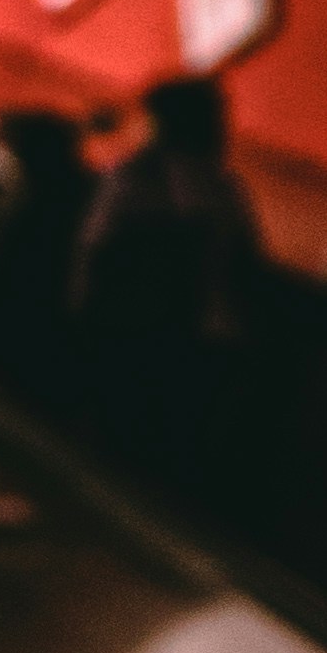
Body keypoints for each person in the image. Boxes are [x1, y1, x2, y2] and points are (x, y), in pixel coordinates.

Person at [72, 70, 264, 513]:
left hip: (134, 346)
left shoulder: (128, 184)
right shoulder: (217, 191)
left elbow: (91, 275)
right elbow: (240, 270)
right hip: (185, 350)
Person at [0, 101, 94, 425]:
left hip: (33, 341)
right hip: (64, 343)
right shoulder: (85, 192)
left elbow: (8, 287)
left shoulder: (39, 211)